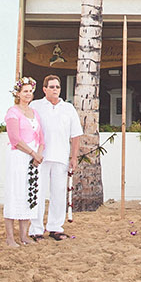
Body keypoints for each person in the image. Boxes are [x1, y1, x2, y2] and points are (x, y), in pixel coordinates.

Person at [29, 74, 82, 241]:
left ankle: (55, 227)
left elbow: (75, 135)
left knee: (58, 194)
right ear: (44, 89)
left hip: (60, 157)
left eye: (57, 87)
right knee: (37, 193)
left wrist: (73, 157)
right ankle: (36, 229)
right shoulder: (35, 106)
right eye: (51, 87)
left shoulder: (68, 108)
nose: (55, 90)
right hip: (41, 157)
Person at [3, 78, 44, 246]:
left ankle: (24, 235)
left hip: (33, 158)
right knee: (15, 193)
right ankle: (10, 237)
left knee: (29, 193)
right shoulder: (13, 112)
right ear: (18, 93)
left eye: (30, 91)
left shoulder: (35, 113)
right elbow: (14, 138)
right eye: (25, 91)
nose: (28, 94)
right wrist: (32, 153)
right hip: (19, 156)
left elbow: (42, 137)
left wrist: (38, 155)